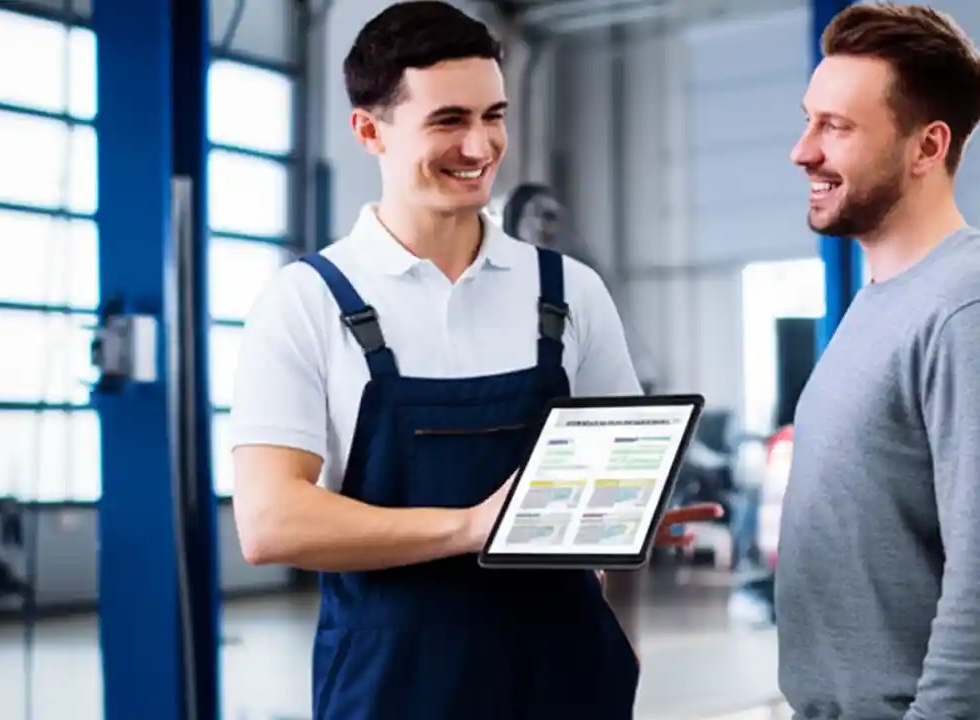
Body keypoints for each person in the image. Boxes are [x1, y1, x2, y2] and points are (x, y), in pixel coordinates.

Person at [228, 2, 719, 719]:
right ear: (369, 130)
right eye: (448, 120)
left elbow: (617, 486)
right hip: (393, 689)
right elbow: (272, 521)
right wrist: (474, 526)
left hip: (567, 676)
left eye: (494, 116)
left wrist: (631, 557)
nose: (480, 145)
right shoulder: (307, 302)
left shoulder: (569, 292)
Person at [775, 4, 980, 720]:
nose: (802, 151)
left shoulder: (979, 306)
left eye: (836, 127)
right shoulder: (882, 298)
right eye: (809, 120)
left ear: (927, 147)